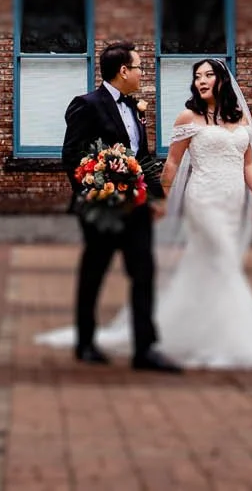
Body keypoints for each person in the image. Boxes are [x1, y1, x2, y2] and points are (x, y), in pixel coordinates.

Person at [54, 42, 181, 372]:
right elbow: (72, 156)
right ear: (123, 71)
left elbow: (144, 157)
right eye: (139, 67)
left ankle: (145, 350)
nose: (142, 73)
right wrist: (94, 193)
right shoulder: (87, 105)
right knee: (94, 272)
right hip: (102, 208)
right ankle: (85, 343)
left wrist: (157, 198)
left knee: (144, 273)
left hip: (136, 207)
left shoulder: (136, 108)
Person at [149, 57, 252, 370]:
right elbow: (173, 163)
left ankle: (192, 331)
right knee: (224, 262)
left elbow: (248, 165)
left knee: (208, 266)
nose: (202, 80)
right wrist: (161, 199)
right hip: (204, 199)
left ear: (223, 80)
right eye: (197, 76)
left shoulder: (240, 121)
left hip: (232, 201)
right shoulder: (188, 118)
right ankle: (241, 343)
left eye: (208, 75)